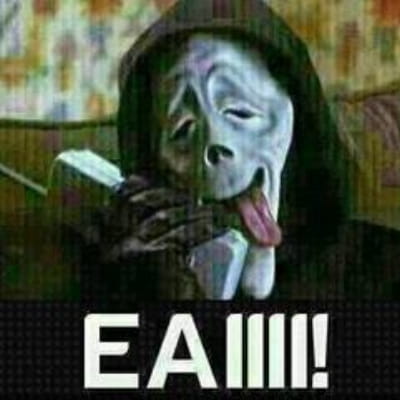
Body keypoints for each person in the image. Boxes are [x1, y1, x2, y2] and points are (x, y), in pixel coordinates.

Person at [82, 0, 400, 302]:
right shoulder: (130, 279)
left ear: (296, 113)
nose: (213, 142)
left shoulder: (381, 267)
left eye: (240, 112)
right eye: (182, 130)